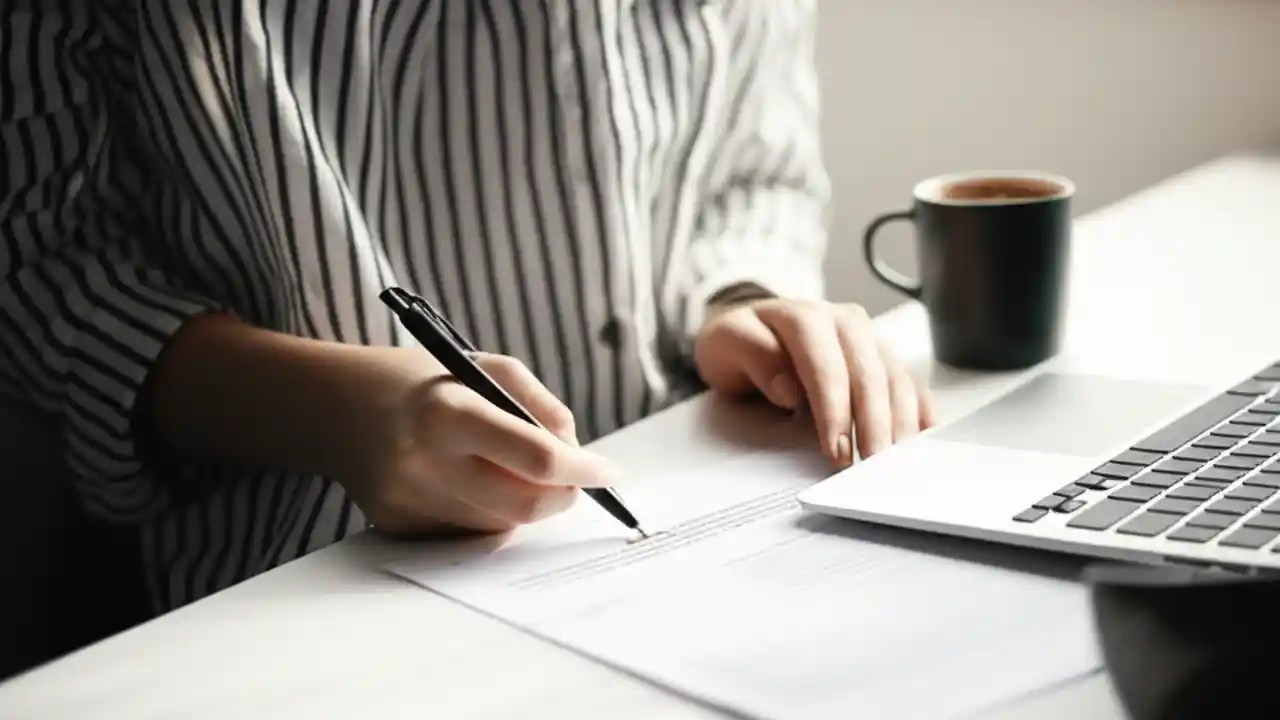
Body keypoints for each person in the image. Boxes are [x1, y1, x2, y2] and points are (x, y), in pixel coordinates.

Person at [0, 0, 933, 613]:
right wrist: (327, 412)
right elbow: (39, 265)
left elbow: (753, 161)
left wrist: (740, 293)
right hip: (312, 593)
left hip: (701, 519)